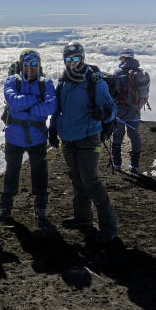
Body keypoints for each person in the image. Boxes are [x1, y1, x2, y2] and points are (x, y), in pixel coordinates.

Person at [49, 41, 118, 242]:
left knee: (91, 181)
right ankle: (83, 219)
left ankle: (108, 226)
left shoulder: (95, 81)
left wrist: (103, 113)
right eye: (68, 59)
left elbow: (111, 109)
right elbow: (57, 109)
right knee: (77, 180)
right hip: (68, 139)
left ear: (83, 58)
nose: (72, 63)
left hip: (88, 137)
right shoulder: (63, 82)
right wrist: (53, 129)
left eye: (76, 59)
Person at [0, 49, 57, 228]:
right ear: (22, 65)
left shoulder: (47, 83)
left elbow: (51, 106)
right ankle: (6, 207)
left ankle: (40, 208)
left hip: (35, 137)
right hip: (15, 137)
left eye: (34, 64)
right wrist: (37, 99)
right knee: (12, 172)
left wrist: (27, 108)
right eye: (27, 64)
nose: (31, 68)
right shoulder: (12, 80)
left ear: (39, 65)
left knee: (40, 173)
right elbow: (14, 102)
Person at [112, 47, 143, 173]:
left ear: (123, 58)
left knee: (118, 136)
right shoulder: (141, 73)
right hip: (135, 111)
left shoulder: (118, 73)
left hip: (120, 112)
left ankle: (117, 164)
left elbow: (113, 92)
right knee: (134, 136)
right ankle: (135, 165)